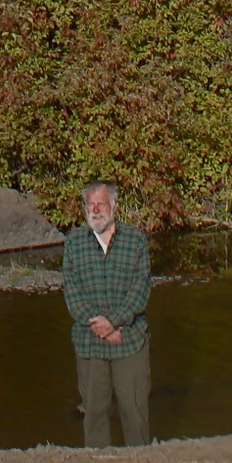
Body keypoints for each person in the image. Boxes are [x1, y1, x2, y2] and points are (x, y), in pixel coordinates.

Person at [61, 180, 151, 447]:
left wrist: (114, 323)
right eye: (91, 204)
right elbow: (72, 295)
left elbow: (140, 289)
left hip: (129, 340)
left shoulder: (135, 239)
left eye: (101, 203)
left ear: (114, 206)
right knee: (94, 414)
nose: (96, 209)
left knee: (134, 413)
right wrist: (100, 326)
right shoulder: (74, 242)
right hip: (90, 343)